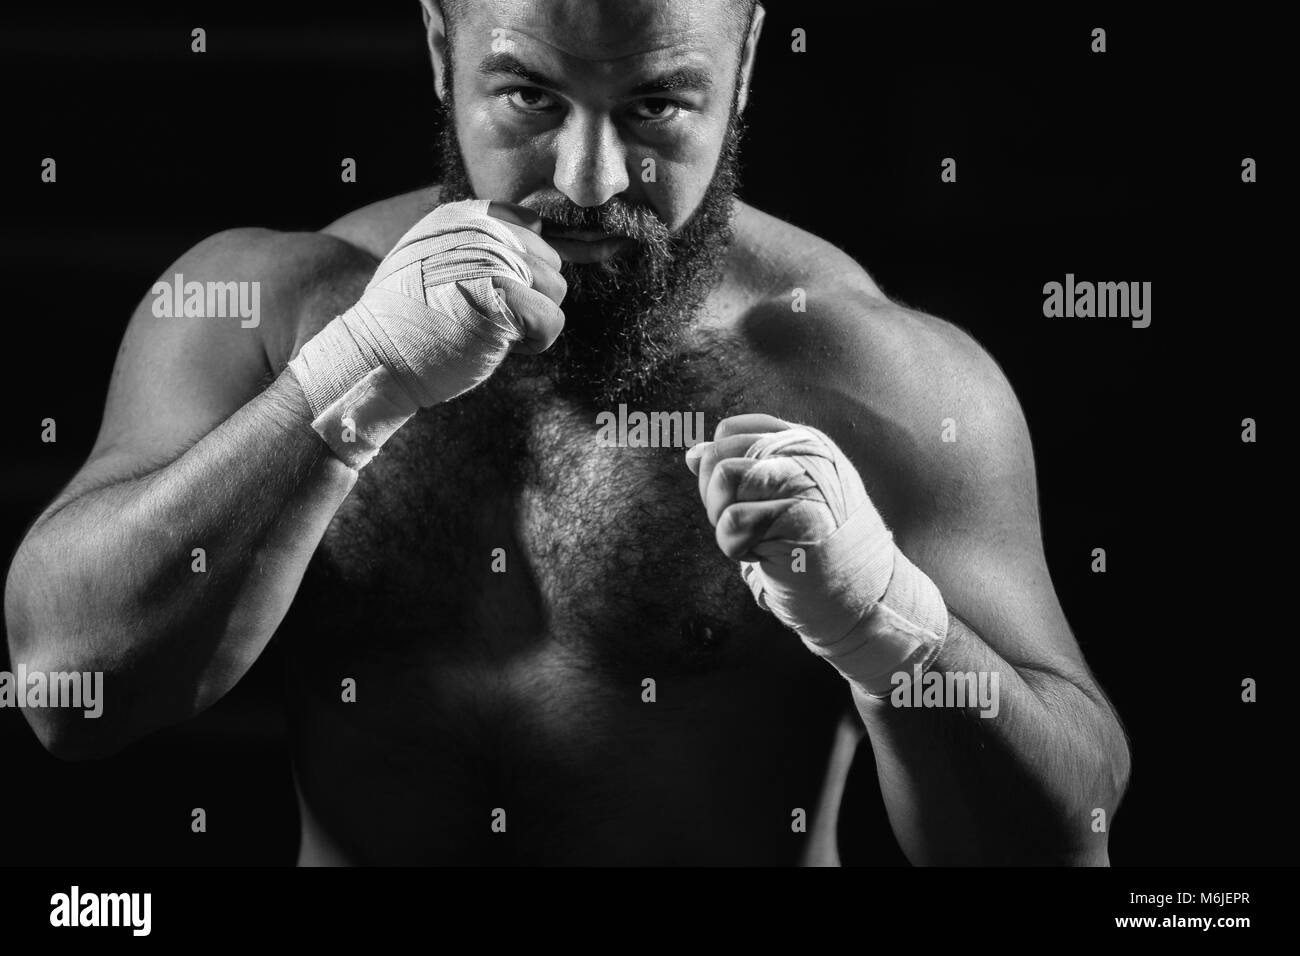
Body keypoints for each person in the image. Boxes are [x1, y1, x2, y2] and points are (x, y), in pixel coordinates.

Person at [4, 0, 1130, 865]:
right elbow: (66, 694)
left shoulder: (876, 374)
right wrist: (346, 386)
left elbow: (1065, 836)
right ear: (443, 52)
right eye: (531, 99)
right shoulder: (268, 309)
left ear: (744, 69)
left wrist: (889, 620)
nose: (590, 182)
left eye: (655, 105)